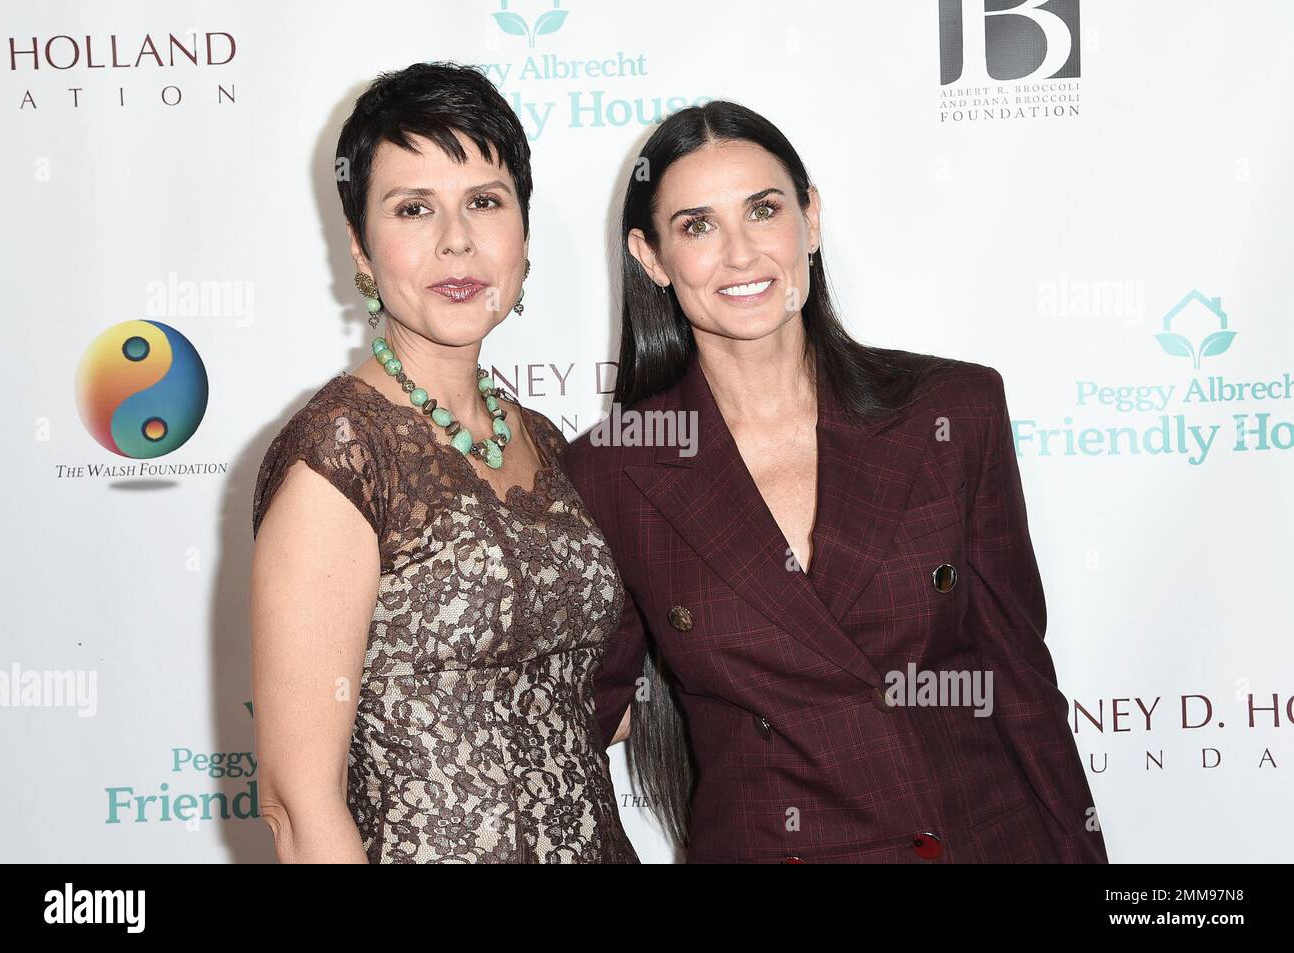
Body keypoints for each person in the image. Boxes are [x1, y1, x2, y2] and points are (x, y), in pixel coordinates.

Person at [560, 100, 1108, 863]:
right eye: (697, 226)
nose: (741, 253)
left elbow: (1019, 681)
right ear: (652, 259)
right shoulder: (611, 469)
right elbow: (575, 707)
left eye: (763, 210)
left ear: (810, 221)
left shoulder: (952, 411)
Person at [249, 61, 637, 863]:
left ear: (522, 239)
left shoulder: (549, 442)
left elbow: (591, 698)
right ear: (360, 247)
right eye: (414, 208)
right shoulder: (340, 453)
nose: (456, 240)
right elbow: (297, 804)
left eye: (484, 203)